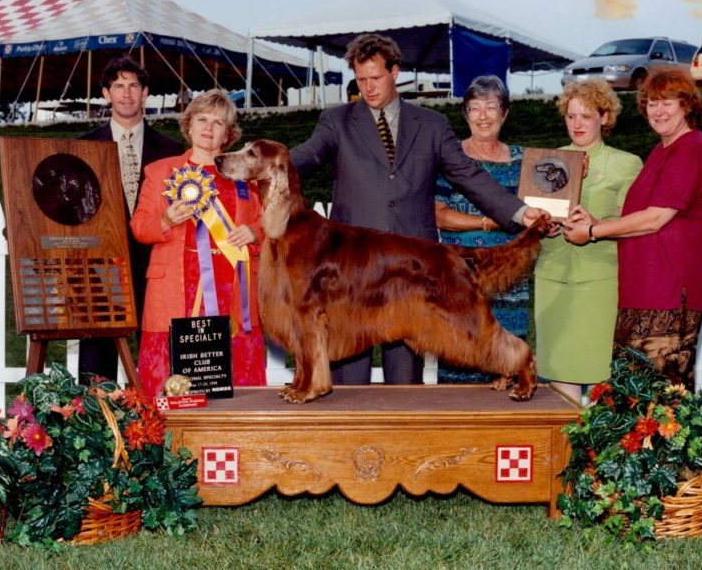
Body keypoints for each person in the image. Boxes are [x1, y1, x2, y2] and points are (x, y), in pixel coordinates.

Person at [290, 33, 548, 386]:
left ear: (395, 72)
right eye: (361, 80)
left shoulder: (431, 124)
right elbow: (308, 155)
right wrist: (268, 164)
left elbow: (468, 175)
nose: (368, 87)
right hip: (354, 267)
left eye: (375, 78)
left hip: (414, 267)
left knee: (405, 381)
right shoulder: (337, 120)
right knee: (348, 377)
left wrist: (519, 213)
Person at [564, 69, 702, 390]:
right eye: (652, 103)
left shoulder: (689, 151)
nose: (659, 111)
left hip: (670, 291)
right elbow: (639, 215)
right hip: (645, 288)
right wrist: (595, 221)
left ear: (687, 106)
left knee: (661, 400)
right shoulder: (663, 150)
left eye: (668, 103)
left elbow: (656, 218)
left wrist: (595, 231)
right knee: (634, 396)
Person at [130, 90, 266, 398]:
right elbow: (139, 227)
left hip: (234, 294)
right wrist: (165, 219)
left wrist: (255, 232)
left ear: (228, 135)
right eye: (202, 119)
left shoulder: (249, 177)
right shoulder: (160, 172)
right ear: (189, 125)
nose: (208, 127)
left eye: (218, 122)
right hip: (174, 294)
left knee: (235, 386)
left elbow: (274, 223)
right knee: (166, 387)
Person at [78, 55, 184, 385]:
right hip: (101, 268)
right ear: (106, 94)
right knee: (97, 368)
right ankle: (97, 428)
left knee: (159, 357)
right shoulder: (82, 147)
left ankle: (161, 427)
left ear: (145, 93)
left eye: (134, 86)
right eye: (118, 86)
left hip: (154, 266)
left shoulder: (171, 150)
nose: (126, 94)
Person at [535, 80, 643, 403]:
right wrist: (542, 226)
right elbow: (531, 217)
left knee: (603, 384)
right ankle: (566, 455)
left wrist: (597, 225)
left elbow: (633, 225)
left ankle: (600, 454)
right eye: (571, 116)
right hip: (552, 280)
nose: (577, 124)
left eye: (586, 115)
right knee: (560, 387)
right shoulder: (548, 161)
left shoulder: (627, 164)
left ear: (605, 117)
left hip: (601, 285)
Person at [434, 75, 528, 384]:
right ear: (465, 114)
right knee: (460, 373)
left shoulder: (524, 160)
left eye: (491, 107)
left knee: (509, 373)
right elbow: (439, 215)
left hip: (510, 286)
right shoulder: (449, 159)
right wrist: (489, 222)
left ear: (505, 113)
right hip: (462, 283)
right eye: (474, 108)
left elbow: (547, 203)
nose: (483, 116)